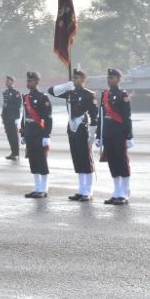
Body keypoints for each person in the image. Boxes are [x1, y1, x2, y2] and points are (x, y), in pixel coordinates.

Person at [48, 68, 100, 201]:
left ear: (83, 79)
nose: (75, 80)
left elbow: (94, 117)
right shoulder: (69, 93)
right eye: (73, 78)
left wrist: (92, 136)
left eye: (77, 78)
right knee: (77, 160)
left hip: (83, 129)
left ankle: (88, 191)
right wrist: (65, 86)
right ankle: (81, 190)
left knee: (85, 161)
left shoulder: (89, 95)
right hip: (71, 129)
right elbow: (51, 91)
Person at [96, 68, 134, 205]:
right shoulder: (104, 95)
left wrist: (129, 136)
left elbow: (127, 117)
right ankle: (116, 192)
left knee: (122, 162)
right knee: (112, 162)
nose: (109, 80)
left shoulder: (123, 95)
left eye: (112, 78)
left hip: (119, 133)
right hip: (107, 133)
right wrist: (98, 135)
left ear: (118, 79)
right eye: (108, 78)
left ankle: (125, 192)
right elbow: (101, 116)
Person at [21, 71, 53, 198]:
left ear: (37, 82)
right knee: (33, 160)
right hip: (29, 132)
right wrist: (22, 133)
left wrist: (47, 136)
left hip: (39, 133)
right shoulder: (26, 98)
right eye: (28, 80)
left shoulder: (43, 98)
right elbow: (24, 117)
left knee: (41, 160)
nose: (29, 83)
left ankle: (43, 189)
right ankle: (37, 187)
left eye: (31, 81)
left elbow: (48, 119)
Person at [1, 75, 22, 160]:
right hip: (7, 118)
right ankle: (12, 152)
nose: (7, 83)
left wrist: (17, 118)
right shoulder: (5, 92)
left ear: (12, 82)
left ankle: (16, 153)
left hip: (13, 117)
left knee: (14, 136)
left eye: (8, 81)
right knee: (9, 135)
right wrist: (3, 116)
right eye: (6, 81)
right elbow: (4, 106)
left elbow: (18, 106)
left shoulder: (16, 93)